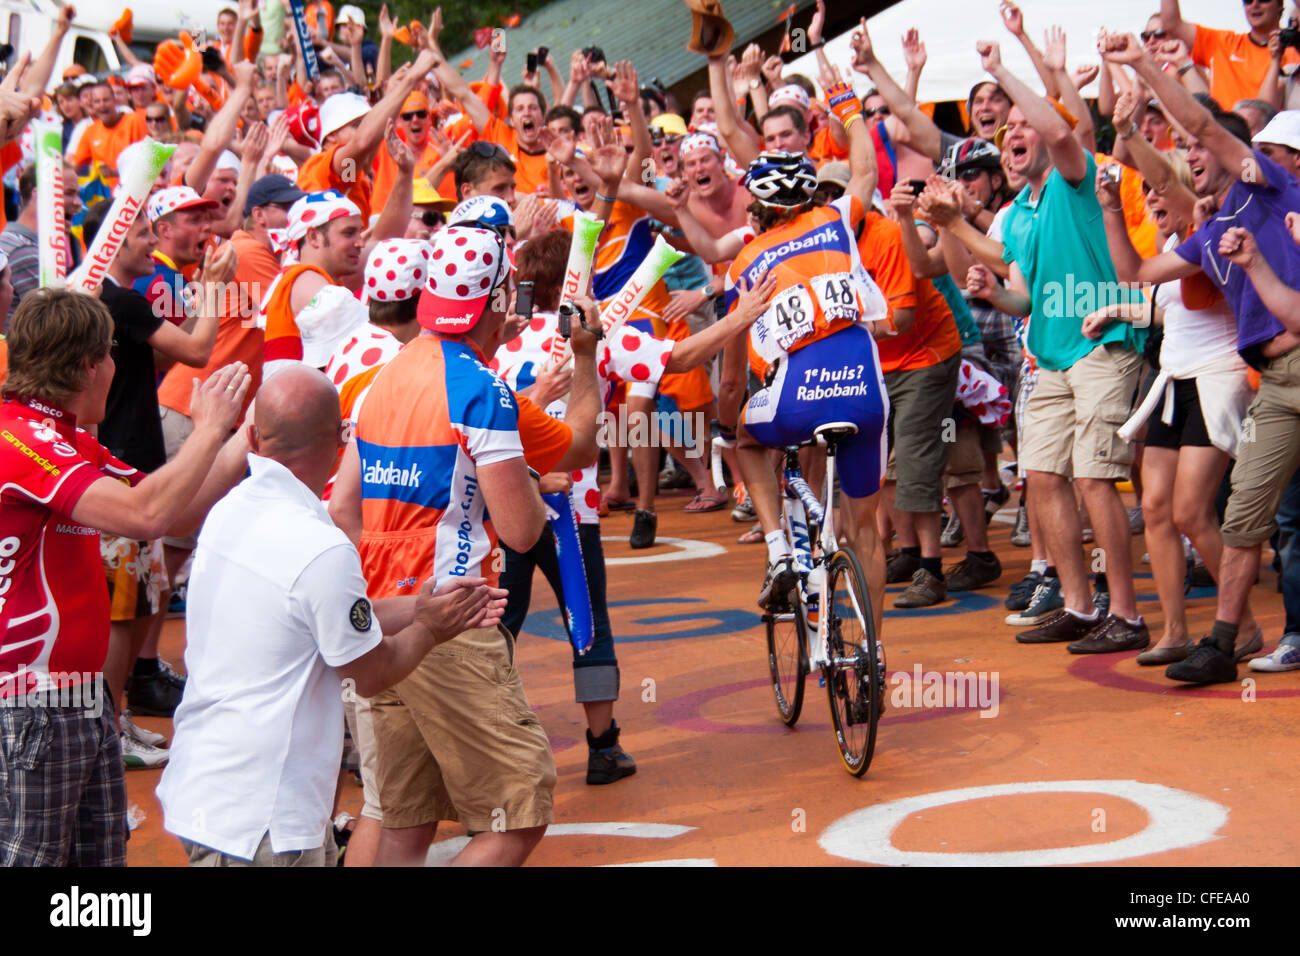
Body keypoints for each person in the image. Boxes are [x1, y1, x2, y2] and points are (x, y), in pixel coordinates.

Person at [157, 365, 506, 867]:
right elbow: (372, 671)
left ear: (253, 436)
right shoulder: (319, 548)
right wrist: (432, 628)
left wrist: (422, 607)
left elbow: (324, 620)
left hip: (208, 789)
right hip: (266, 815)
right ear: (343, 441)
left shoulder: (229, 512)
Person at [329, 223, 599, 866]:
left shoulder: (384, 380)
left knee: (401, 815)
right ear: (501, 299)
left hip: (383, 614)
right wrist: (530, 476)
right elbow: (524, 530)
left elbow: (343, 506)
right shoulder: (480, 389)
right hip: (452, 614)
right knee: (520, 807)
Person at [0, 288, 250, 866]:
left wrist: (245, 437)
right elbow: (148, 514)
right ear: (91, 365)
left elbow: (174, 510)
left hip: (76, 699)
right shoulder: (25, 440)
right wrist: (211, 429)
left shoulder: (62, 438)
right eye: (113, 357)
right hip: (34, 702)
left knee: (99, 865)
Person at [1098, 31, 1300, 682]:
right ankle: (1209, 636)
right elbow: (1138, 270)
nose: (1197, 150)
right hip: (1261, 378)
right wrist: (1109, 206)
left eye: (1263, 150)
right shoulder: (1213, 227)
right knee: (1224, 515)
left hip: (1237, 375)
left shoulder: (1267, 189)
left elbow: (1200, 127)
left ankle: (1239, 631)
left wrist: (1140, 66)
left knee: (1208, 512)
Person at [966, 38, 1149, 653]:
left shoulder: (1077, 179)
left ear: (1047, 132)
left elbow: (1064, 131)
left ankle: (1124, 612)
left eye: (1025, 124)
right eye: (1008, 129)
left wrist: (1003, 67)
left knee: (1096, 479)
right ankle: (1077, 603)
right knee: (1043, 477)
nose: (1014, 133)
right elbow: (1023, 299)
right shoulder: (1017, 212)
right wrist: (995, 293)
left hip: (1105, 347)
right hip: (1049, 355)